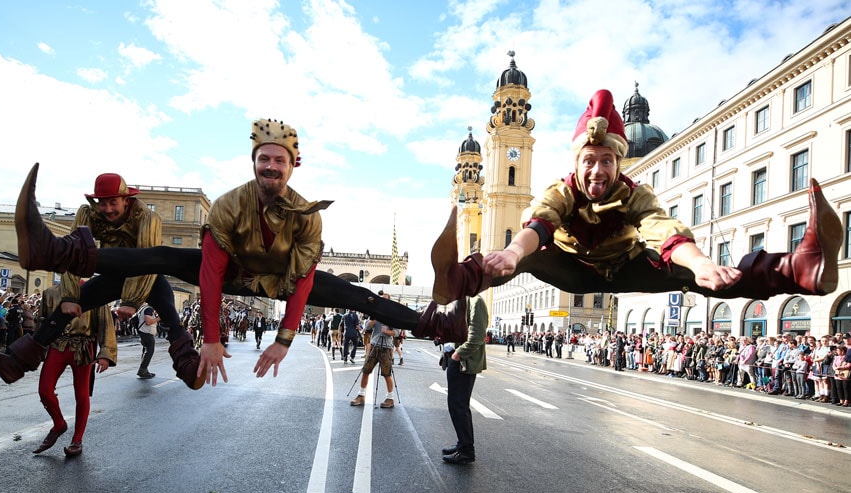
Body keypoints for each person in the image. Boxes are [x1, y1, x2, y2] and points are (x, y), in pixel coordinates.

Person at [0, 119, 465, 386]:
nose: (271, 167)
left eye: (279, 160)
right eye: (264, 160)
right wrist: (210, 337)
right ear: (254, 163)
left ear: (292, 165)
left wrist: (283, 339)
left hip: (279, 281)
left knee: (359, 295)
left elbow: (301, 285)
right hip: (233, 274)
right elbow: (211, 273)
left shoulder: (308, 217)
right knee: (162, 258)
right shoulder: (231, 205)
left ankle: (439, 325)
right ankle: (51, 254)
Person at [429, 89, 842, 308]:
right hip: (574, 270)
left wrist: (699, 263)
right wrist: (514, 255)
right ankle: (456, 280)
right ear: (579, 162)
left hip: (627, 267)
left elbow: (662, 229)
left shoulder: (633, 193)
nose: (597, 171)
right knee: (523, 256)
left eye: (607, 160)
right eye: (589, 160)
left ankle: (798, 269)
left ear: (618, 162)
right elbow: (540, 223)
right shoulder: (562, 190)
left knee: (703, 276)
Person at [0, 172, 203, 389]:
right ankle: (15, 364)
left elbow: (147, 257)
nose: (107, 209)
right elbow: (75, 254)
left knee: (170, 313)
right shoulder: (88, 213)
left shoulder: (147, 217)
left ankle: (189, 367)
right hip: (113, 273)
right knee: (60, 314)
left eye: (113, 202)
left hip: (147, 274)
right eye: (102, 203)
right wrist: (69, 296)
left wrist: (132, 301)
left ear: (126, 199)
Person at [32, 285, 116, 457]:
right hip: (57, 345)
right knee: (44, 390)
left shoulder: (96, 290)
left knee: (82, 394)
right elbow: (42, 322)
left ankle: (77, 440)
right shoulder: (50, 293)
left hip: (83, 346)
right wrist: (36, 347)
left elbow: (106, 324)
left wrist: (106, 353)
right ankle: (59, 424)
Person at [442, 294, 488, 465]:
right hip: (457, 360)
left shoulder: (476, 301)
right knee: (456, 406)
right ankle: (463, 444)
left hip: (464, 362)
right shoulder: (463, 300)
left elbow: (477, 336)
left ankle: (467, 451)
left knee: (459, 406)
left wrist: (457, 355)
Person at [350, 295, 398, 408]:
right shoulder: (374, 313)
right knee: (366, 370)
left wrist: (387, 331)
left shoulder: (392, 315)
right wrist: (374, 319)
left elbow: (397, 332)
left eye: (385, 299)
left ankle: (390, 398)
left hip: (386, 347)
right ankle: (361, 395)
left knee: (387, 373)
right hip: (374, 346)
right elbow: (367, 327)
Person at [135, 303, 159, 379]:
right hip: (146, 332)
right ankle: (142, 370)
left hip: (143, 332)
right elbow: (148, 322)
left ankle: (144, 369)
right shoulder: (148, 309)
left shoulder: (143, 307)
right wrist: (159, 318)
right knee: (149, 351)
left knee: (145, 351)